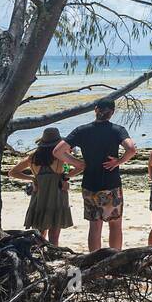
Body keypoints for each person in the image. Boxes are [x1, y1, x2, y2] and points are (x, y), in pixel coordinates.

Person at [55, 99, 137, 252]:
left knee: (95, 226)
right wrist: (118, 161)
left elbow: (58, 151)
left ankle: (94, 260)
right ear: (112, 112)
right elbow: (131, 149)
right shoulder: (117, 130)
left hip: (90, 184)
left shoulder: (81, 130)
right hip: (111, 184)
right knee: (115, 224)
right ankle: (115, 258)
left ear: (95, 110)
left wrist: (78, 163)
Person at [9, 127, 83, 245]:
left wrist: (32, 178)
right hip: (57, 193)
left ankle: (41, 250)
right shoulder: (60, 156)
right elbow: (81, 166)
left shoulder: (32, 157)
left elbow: (12, 172)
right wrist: (66, 176)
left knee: (40, 229)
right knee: (55, 230)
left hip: (39, 194)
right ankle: (54, 251)